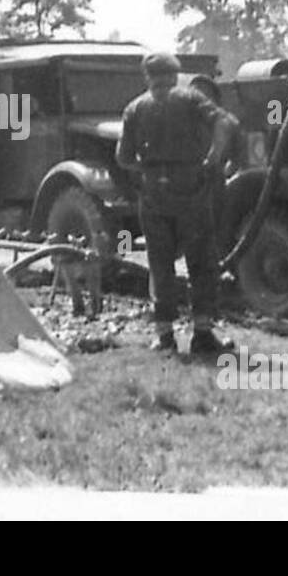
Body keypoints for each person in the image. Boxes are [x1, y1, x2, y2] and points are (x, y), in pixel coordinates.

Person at [116, 53, 238, 356]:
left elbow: (123, 157)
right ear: (175, 73)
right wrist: (213, 157)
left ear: (148, 76)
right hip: (191, 191)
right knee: (201, 261)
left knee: (160, 264)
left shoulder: (135, 108)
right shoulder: (190, 98)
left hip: (154, 194)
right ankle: (203, 333)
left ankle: (164, 335)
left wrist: (149, 170)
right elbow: (225, 122)